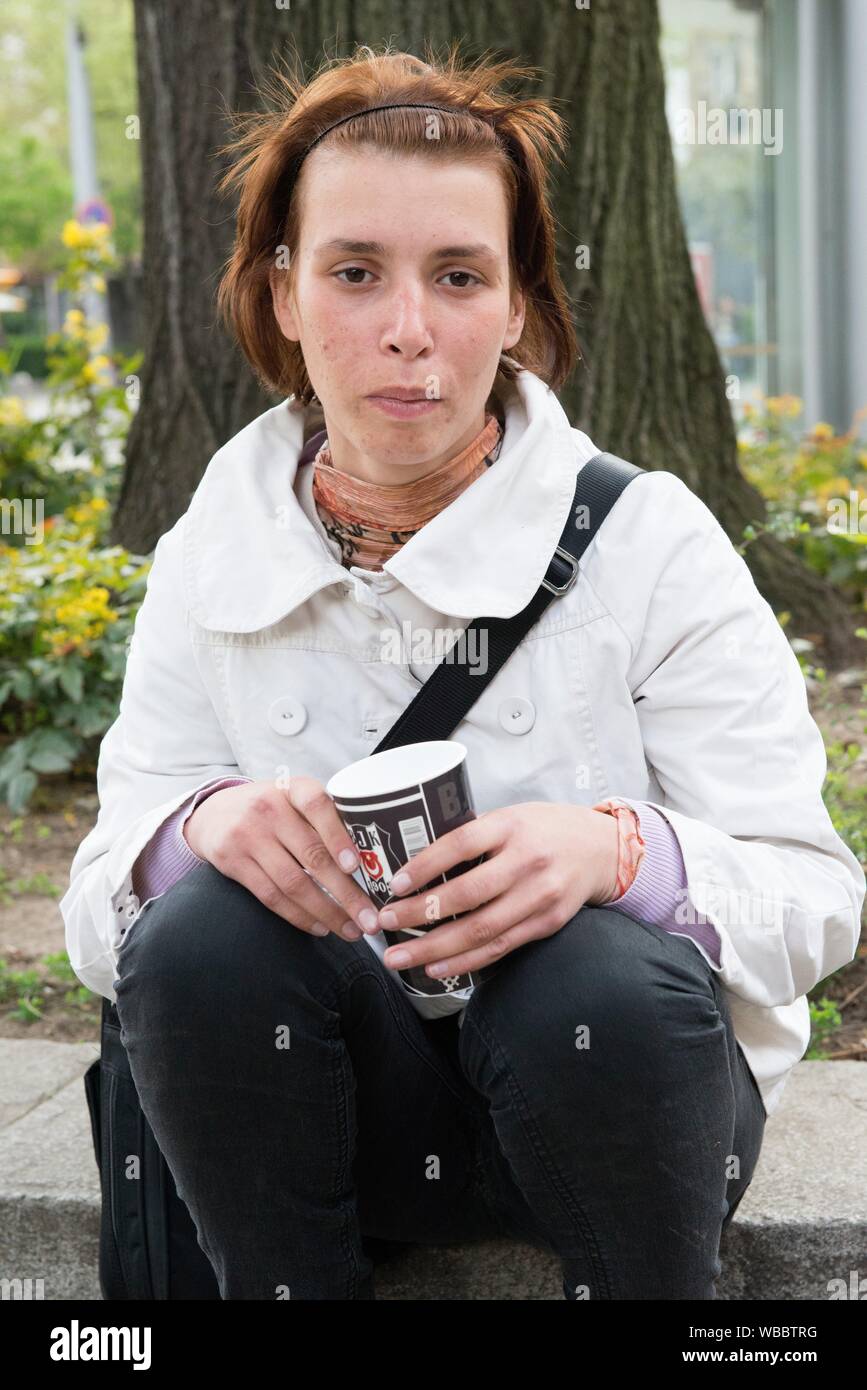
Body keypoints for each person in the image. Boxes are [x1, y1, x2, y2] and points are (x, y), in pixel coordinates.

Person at [60, 43, 865, 1301]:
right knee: (202, 929)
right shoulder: (212, 551)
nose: (407, 331)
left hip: (620, 1110)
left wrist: (621, 854)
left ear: (520, 306)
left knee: (595, 966)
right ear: (282, 294)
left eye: (457, 276)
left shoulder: (646, 540)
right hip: (335, 1109)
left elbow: (820, 895)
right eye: (354, 272)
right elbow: (100, 905)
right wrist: (198, 830)